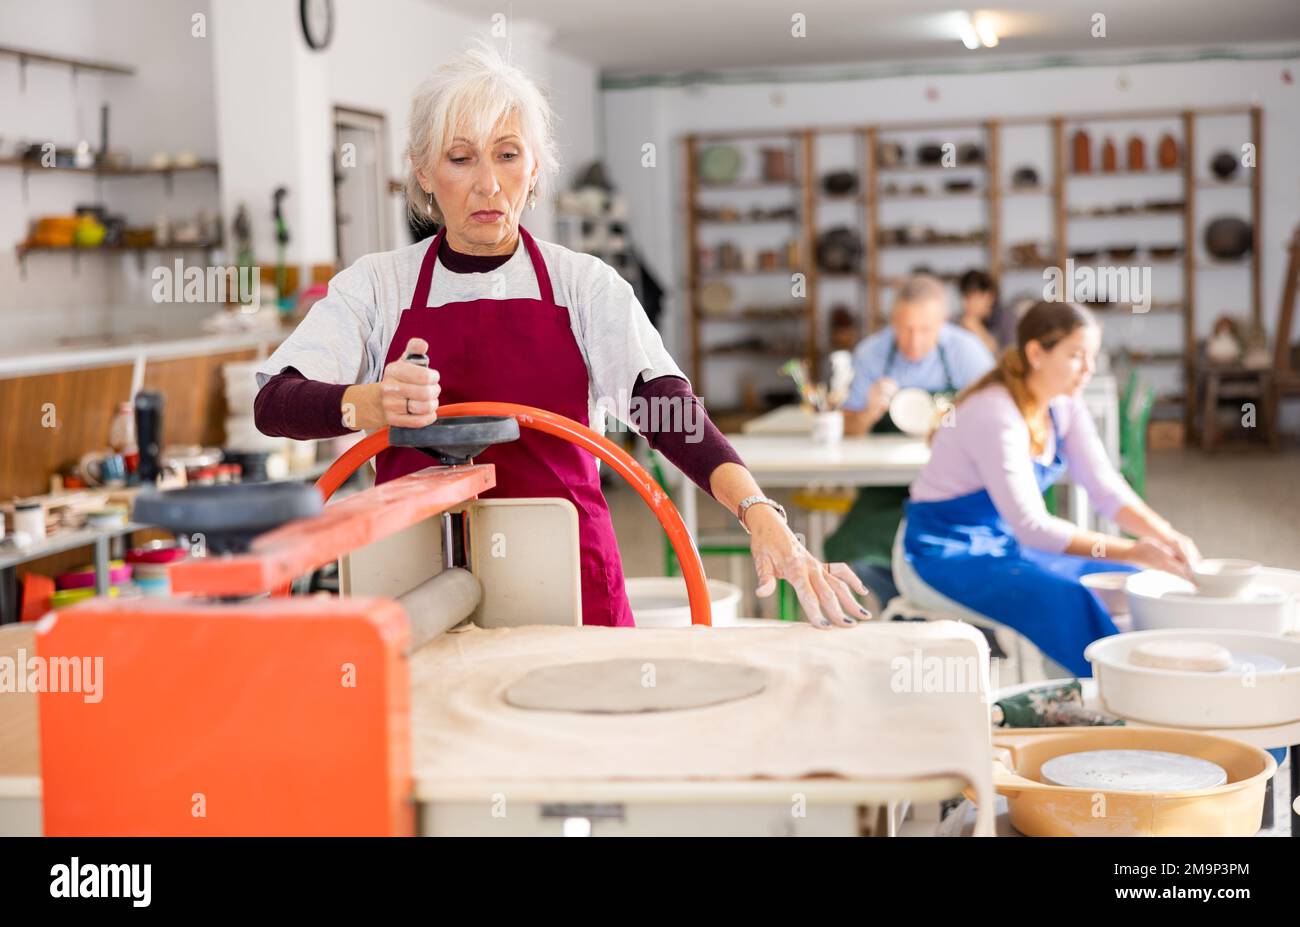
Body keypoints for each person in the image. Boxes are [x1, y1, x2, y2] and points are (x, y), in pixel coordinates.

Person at [252, 43, 869, 629]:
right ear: (423, 170)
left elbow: (666, 411)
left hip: (567, 577)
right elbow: (274, 403)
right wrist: (369, 403)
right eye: (461, 158)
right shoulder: (378, 287)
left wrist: (760, 514)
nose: (488, 184)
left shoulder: (584, 285)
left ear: (536, 167)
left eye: (509, 154)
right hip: (418, 585)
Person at [901, 300, 1200, 675]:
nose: (1089, 369)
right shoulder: (995, 412)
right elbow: (1033, 527)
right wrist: (1137, 549)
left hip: (1006, 543)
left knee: (1136, 583)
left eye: (1092, 356)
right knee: (1067, 599)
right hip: (941, 552)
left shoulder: (1063, 406)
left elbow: (1105, 487)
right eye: (1077, 355)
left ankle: (1151, 681)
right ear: (1036, 353)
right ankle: (1102, 702)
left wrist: (1166, 536)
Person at [824, 275, 995, 605]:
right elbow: (848, 430)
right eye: (905, 329)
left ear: (942, 324)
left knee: (953, 545)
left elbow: (998, 419)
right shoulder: (872, 353)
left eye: (926, 330)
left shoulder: (967, 352)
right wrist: (868, 412)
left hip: (953, 488)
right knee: (848, 547)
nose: (914, 341)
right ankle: (905, 606)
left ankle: (930, 606)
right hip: (884, 492)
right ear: (892, 322)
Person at [957, 268, 1000, 353]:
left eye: (975, 299)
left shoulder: (1006, 321)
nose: (968, 305)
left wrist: (976, 328)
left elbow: (1002, 358)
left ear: (989, 297)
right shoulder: (960, 321)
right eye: (965, 299)